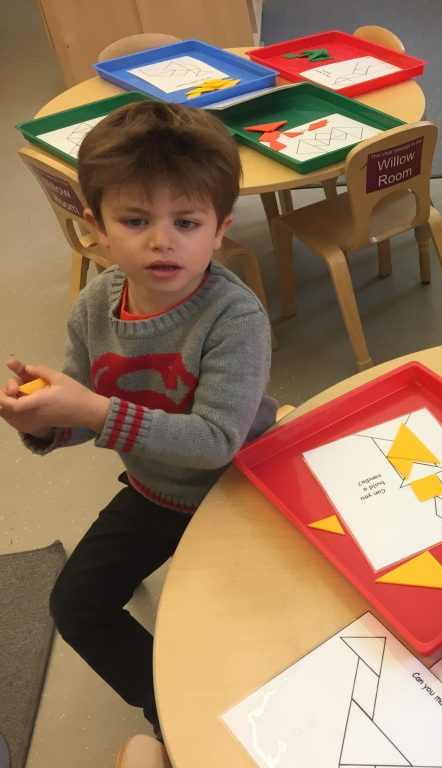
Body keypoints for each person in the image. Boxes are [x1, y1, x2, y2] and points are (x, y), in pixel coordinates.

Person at [0, 101, 277, 736]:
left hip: (239, 493)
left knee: (243, 628)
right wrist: (42, 421)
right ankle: (170, 707)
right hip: (156, 491)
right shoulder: (97, 303)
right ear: (96, 227)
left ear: (220, 228)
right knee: (75, 606)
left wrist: (93, 409)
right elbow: (82, 408)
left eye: (187, 221)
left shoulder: (234, 319)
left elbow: (214, 442)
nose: (162, 240)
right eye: (135, 219)